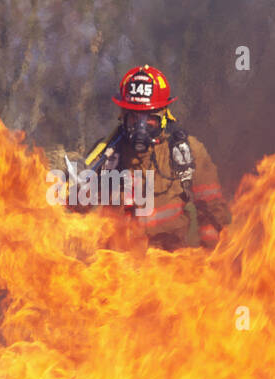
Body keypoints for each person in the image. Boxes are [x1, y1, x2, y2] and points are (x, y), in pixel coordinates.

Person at [81, 65, 228, 249]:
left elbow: (214, 213)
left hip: (168, 267)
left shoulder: (187, 153)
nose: (140, 127)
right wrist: (75, 189)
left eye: (149, 118)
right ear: (123, 116)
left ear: (164, 115)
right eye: (134, 118)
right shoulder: (105, 156)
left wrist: (211, 260)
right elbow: (78, 217)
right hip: (115, 268)